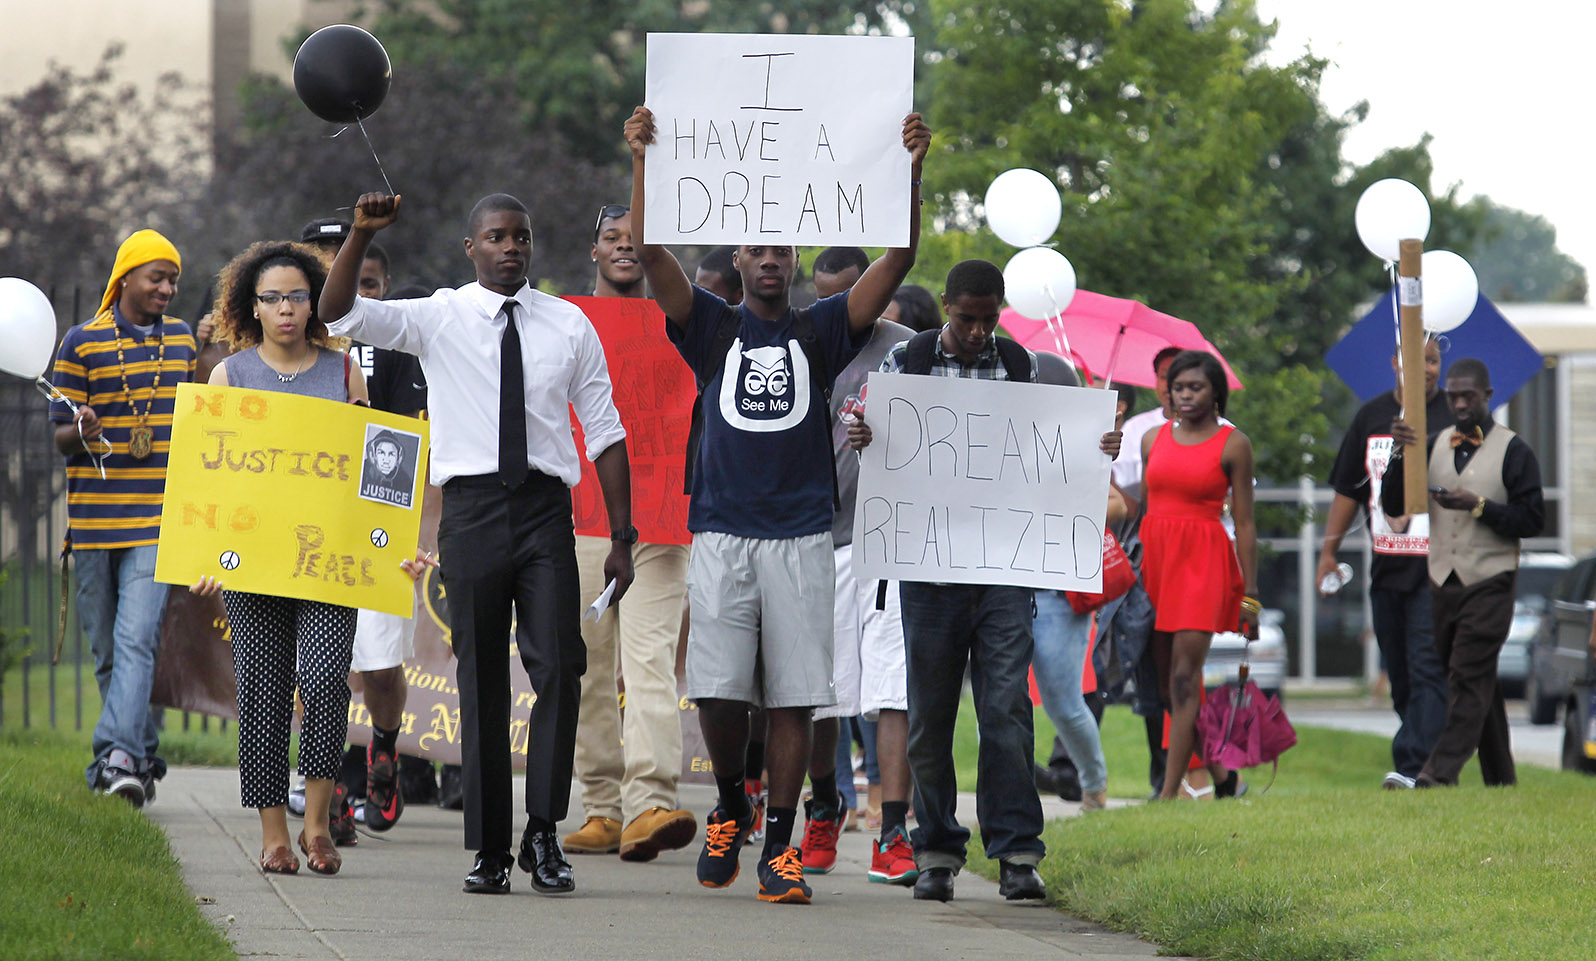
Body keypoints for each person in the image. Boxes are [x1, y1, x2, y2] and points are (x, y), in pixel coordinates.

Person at [626, 103, 929, 905]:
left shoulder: (826, 329)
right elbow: (650, 248)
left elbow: (899, 256)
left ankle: (783, 846)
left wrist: (911, 168)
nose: (769, 261)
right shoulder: (710, 326)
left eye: (780, 250)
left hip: (803, 536)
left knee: (796, 694)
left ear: (793, 261)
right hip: (722, 530)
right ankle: (732, 801)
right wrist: (642, 159)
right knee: (720, 691)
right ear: (738, 256)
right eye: (757, 249)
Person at [320, 191, 636, 896]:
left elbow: (606, 431)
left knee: (560, 664)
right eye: (496, 236)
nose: (511, 247)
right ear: (472, 247)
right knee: (481, 676)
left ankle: (544, 831)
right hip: (470, 512)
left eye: (521, 236)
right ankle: (492, 845)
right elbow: (337, 312)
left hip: (546, 513)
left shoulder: (568, 324)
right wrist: (360, 233)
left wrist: (621, 535)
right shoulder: (440, 314)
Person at [850, 260, 1120, 904]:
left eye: (987, 318)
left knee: (1006, 709)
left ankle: (1018, 851)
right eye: (965, 318)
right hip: (927, 570)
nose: (975, 331)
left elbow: (1050, 453)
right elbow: (871, 427)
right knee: (931, 714)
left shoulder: (1022, 367)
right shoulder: (907, 363)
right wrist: (862, 432)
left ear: (1001, 310)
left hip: (1003, 573)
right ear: (946, 306)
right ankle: (937, 848)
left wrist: (1093, 449)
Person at [190, 240, 434, 876]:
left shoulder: (342, 370)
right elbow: (210, 477)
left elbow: (374, 471)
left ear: (315, 302)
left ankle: (319, 826)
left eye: (297, 296)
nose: (287, 310)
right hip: (252, 564)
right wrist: (207, 553)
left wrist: (394, 550)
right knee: (263, 692)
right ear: (252, 307)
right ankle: (274, 833)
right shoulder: (230, 376)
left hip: (328, 564)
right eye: (272, 299)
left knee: (326, 679)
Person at [564, 203, 697, 862]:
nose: (624, 247)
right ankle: (601, 809)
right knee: (587, 669)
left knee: (648, 665)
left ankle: (650, 803)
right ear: (593, 251)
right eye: (611, 238)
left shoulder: (688, 322)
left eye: (637, 239)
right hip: (580, 519)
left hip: (661, 522)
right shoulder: (561, 322)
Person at [49, 229, 196, 806]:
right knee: (109, 652)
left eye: (173, 279)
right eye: (156, 277)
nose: (167, 287)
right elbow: (59, 439)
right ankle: (143, 752)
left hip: (157, 522)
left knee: (136, 641)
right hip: (92, 523)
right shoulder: (80, 343)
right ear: (124, 279)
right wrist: (79, 430)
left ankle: (115, 759)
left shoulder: (183, 340)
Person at [791, 246, 918, 885]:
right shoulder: (804, 344)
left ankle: (892, 826)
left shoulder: (911, 351)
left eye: (850, 294)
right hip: (825, 539)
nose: (838, 309)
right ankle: (824, 806)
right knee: (822, 693)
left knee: (892, 689)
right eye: (824, 298)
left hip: (894, 544)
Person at [1382, 357, 1544, 787]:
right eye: (1453, 395)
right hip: (1442, 580)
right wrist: (1399, 455)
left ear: (1487, 397)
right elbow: (1394, 506)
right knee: (1478, 681)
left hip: (1491, 578)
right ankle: (1501, 781)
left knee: (1467, 676)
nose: (1459, 402)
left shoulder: (1514, 450)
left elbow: (1532, 520)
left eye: (1468, 395)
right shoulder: (1433, 444)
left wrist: (1479, 505)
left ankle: (1435, 774)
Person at [1317, 340, 1449, 790]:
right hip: (1387, 567)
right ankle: (1431, 753)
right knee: (1401, 674)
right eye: (1416, 358)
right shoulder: (1371, 416)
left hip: (1438, 567)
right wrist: (1328, 552)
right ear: (1395, 362)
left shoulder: (1454, 416)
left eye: (1432, 360)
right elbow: (1348, 491)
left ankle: (1414, 767)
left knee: (1429, 666)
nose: (1425, 368)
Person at [1139, 349, 1258, 802]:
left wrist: (1251, 595)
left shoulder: (1234, 444)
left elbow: (1246, 523)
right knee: (1166, 685)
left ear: (1216, 393)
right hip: (1157, 562)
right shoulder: (1151, 438)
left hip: (1202, 565)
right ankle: (1224, 780)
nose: (1185, 395)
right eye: (1178, 387)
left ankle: (1168, 795)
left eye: (1195, 387)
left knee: (1185, 679)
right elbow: (1143, 505)